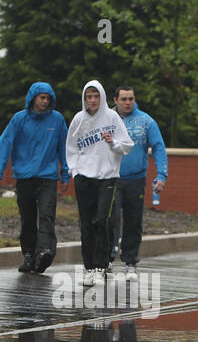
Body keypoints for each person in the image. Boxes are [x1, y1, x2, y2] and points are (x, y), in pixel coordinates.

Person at [0, 82, 71, 274]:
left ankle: (45, 252)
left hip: (48, 177)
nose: (45, 102)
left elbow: (65, 148)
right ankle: (28, 254)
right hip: (25, 177)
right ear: (33, 98)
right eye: (41, 97)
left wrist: (66, 172)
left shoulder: (57, 120)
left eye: (48, 98)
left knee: (46, 215)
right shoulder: (19, 120)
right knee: (27, 218)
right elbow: (5, 144)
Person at [66, 80, 133, 287]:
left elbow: (127, 145)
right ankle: (88, 267)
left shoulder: (112, 118)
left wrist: (112, 142)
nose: (93, 100)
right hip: (84, 177)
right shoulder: (79, 119)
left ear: (102, 97)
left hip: (107, 177)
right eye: (89, 97)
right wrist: (74, 170)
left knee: (101, 219)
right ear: (84, 99)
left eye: (96, 96)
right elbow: (71, 146)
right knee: (86, 222)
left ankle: (101, 267)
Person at [110, 86, 168, 280]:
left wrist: (161, 175)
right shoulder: (107, 119)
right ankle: (106, 259)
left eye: (131, 99)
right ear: (115, 100)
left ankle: (130, 262)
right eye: (124, 99)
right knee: (110, 218)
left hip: (136, 179)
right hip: (111, 178)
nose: (128, 103)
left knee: (133, 221)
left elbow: (158, 147)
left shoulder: (145, 121)